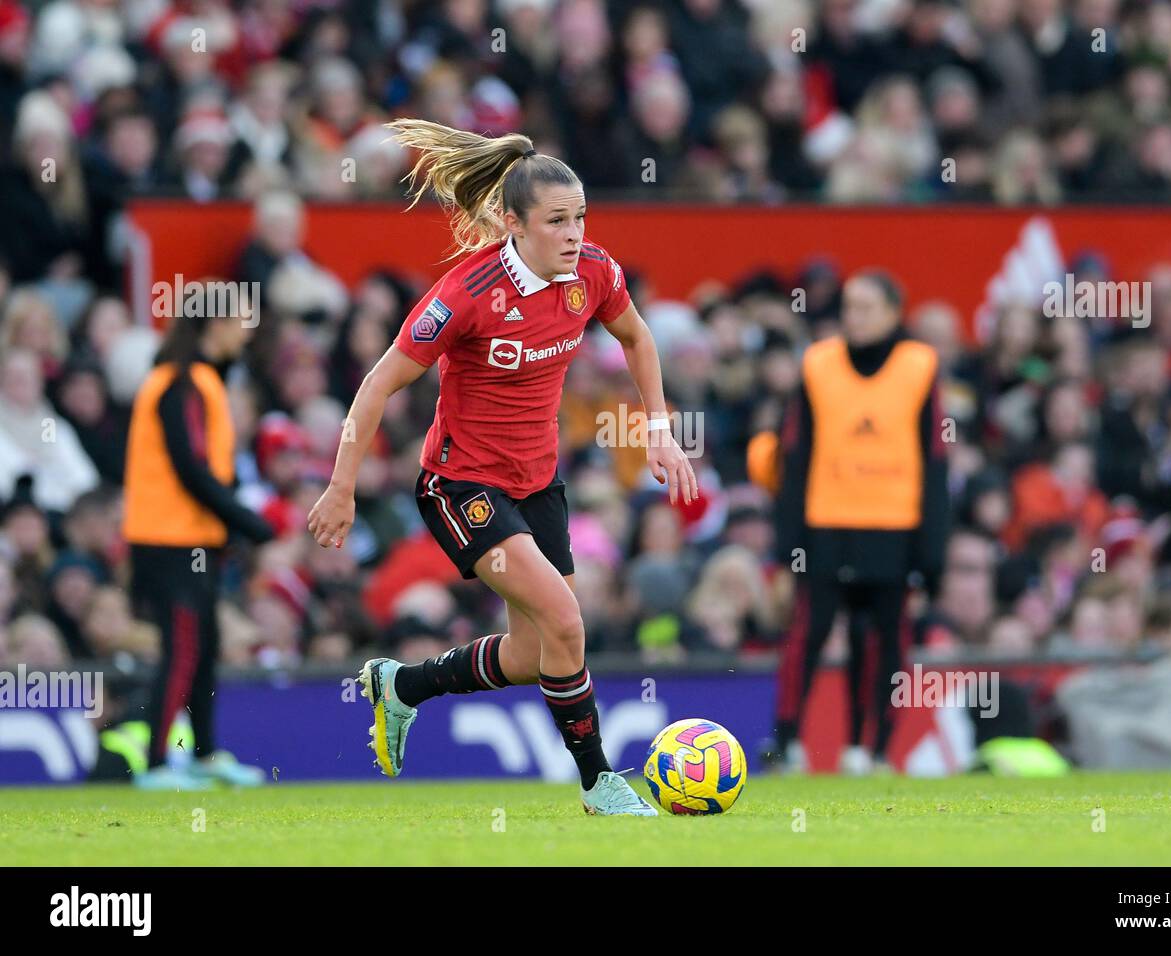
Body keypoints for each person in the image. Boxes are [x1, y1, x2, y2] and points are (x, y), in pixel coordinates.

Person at [307, 121, 697, 816]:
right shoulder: (466, 295)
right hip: (461, 486)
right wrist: (341, 487)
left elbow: (637, 336)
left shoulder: (596, 274)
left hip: (537, 481)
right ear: (514, 224)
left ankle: (404, 688)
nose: (574, 234)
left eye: (580, 217)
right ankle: (599, 783)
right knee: (568, 624)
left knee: (533, 653)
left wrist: (659, 431)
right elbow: (377, 385)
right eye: (556, 221)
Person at [750, 271, 949, 774]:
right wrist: (788, 538)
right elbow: (795, 454)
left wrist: (933, 549)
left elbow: (935, 459)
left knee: (883, 641)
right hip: (826, 525)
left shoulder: (919, 366)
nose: (853, 317)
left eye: (865, 307)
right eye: (849, 307)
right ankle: (788, 742)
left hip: (894, 526)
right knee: (807, 634)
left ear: (892, 312)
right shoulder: (818, 364)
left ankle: (872, 749)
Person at [121, 301, 274, 790]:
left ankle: (203, 754)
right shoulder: (178, 381)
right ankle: (158, 763)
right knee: (182, 649)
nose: (245, 332)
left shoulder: (201, 378)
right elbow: (190, 468)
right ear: (214, 324)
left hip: (194, 539)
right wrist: (248, 521)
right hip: (167, 539)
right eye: (238, 322)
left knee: (203, 647)